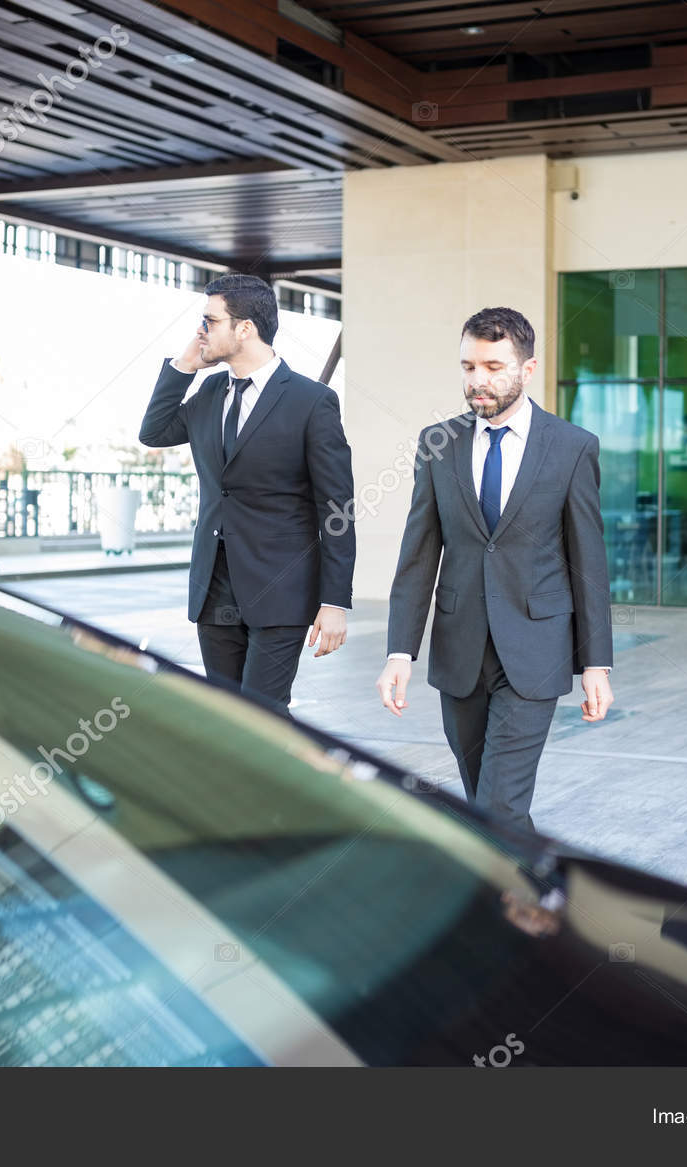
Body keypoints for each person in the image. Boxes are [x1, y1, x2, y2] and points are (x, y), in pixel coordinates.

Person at [377, 306, 614, 833]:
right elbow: (418, 555)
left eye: (492, 367)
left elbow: (588, 560)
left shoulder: (572, 447)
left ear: (527, 369)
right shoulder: (438, 444)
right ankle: (529, 883)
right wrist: (399, 651)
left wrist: (596, 663)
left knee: (498, 808)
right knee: (484, 811)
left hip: (535, 652)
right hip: (460, 652)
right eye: (468, 367)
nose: (477, 380)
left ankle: (514, 885)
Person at [139, 273, 355, 714]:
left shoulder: (311, 401)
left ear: (244, 328)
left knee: (264, 715)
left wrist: (334, 601)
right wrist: (184, 365)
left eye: (210, 321)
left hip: (282, 589)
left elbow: (337, 509)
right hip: (214, 588)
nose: (201, 330)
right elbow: (154, 432)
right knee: (226, 717)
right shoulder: (210, 391)